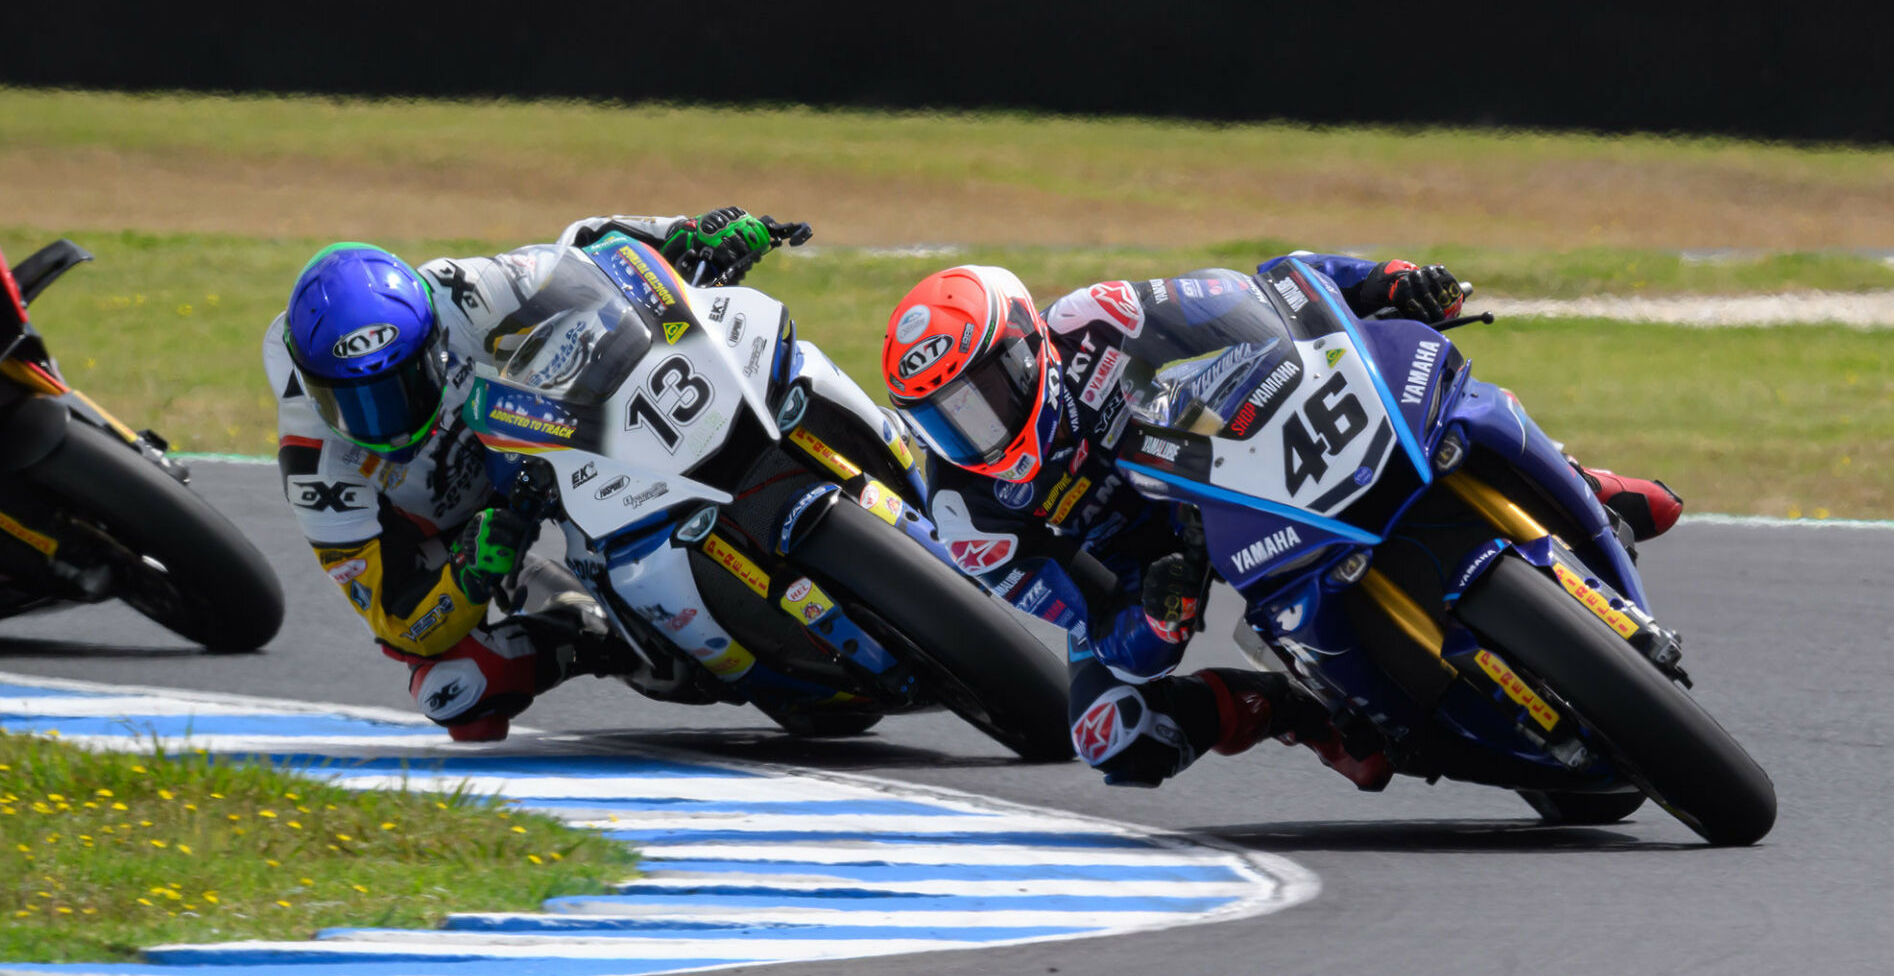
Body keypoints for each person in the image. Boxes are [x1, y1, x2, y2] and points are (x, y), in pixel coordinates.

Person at [881, 253, 1682, 788]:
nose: (976, 428)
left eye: (985, 393)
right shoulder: (966, 513)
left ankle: (1580, 484)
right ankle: (1303, 711)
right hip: (1137, 567)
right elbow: (1091, 621)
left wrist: (1384, 282)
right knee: (1110, 734)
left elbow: (1263, 295)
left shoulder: (1097, 317)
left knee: (1432, 391)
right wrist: (1153, 620)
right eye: (948, 418)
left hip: (1214, 462)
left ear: (1029, 347)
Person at [262, 209, 797, 742]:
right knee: (457, 688)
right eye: (356, 403)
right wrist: (468, 575)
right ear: (311, 388)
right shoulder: (316, 471)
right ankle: (596, 636)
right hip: (459, 537)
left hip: (546, 435)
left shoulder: (456, 292)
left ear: (432, 340)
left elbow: (583, 251)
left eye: (401, 385)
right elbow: (396, 621)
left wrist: (686, 233)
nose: (390, 420)